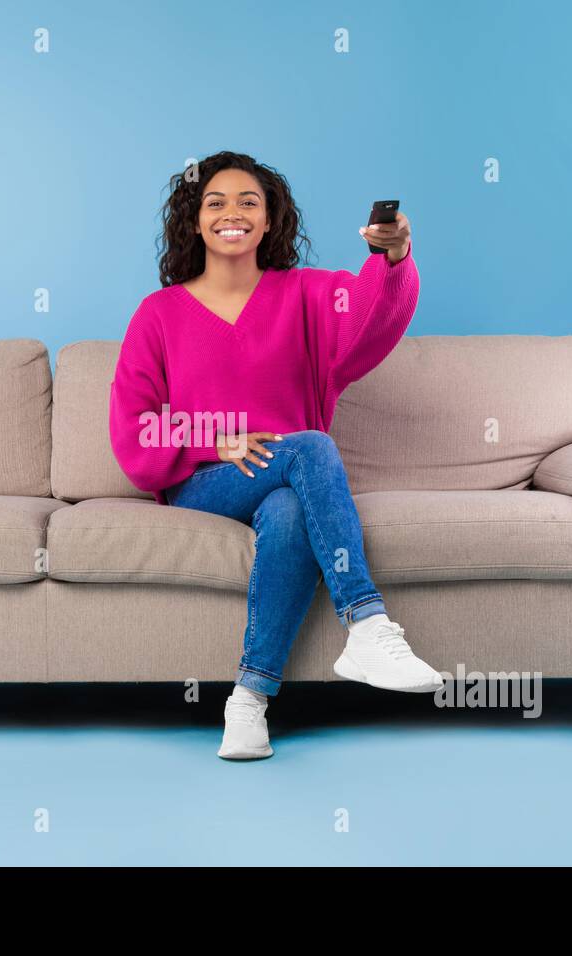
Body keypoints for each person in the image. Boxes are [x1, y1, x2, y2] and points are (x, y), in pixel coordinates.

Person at [109, 151, 443, 760]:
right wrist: (215, 440)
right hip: (206, 485)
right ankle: (366, 623)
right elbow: (134, 432)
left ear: (269, 222)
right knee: (311, 445)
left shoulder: (306, 295)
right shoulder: (158, 314)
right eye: (215, 202)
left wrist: (390, 256)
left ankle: (248, 701)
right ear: (193, 221)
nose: (231, 213)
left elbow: (369, 313)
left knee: (290, 510)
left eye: (248, 203)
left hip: (289, 482)